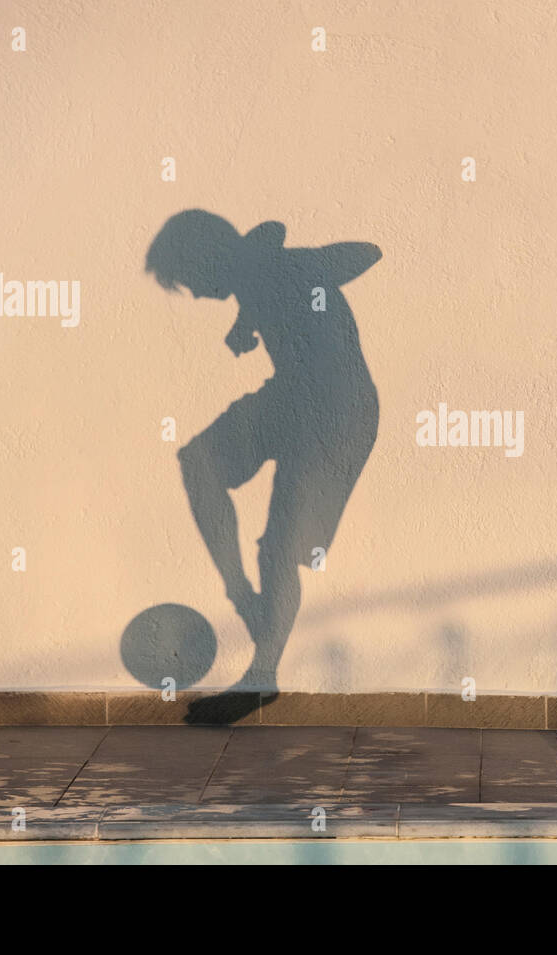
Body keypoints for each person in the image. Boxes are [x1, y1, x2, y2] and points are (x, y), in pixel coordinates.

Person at [145, 211, 381, 718]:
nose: (198, 296)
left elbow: (367, 252)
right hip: (291, 398)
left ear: (206, 257)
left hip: (337, 409)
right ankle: (242, 595)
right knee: (199, 460)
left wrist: (308, 268)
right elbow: (268, 237)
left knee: (280, 547)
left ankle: (262, 673)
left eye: (191, 282)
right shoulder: (254, 279)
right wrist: (247, 316)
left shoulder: (280, 268)